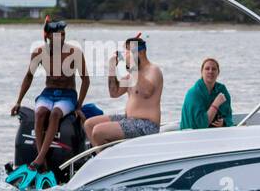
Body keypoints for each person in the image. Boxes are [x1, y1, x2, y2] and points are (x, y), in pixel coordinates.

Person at [11, 18, 89, 172]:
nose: (62, 38)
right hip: (48, 93)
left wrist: (78, 105)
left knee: (55, 114)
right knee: (39, 113)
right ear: (48, 37)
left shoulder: (74, 52)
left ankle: (39, 159)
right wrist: (18, 101)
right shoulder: (39, 53)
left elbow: (85, 80)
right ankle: (43, 163)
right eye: (58, 35)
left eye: (63, 35)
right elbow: (28, 77)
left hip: (68, 95)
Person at [85, 34, 164, 144]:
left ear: (141, 52)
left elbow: (146, 92)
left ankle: (107, 158)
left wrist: (132, 66)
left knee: (99, 131)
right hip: (129, 120)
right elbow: (114, 93)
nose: (126, 56)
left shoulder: (153, 70)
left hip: (146, 125)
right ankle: (102, 156)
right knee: (89, 124)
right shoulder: (132, 74)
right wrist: (112, 68)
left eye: (129, 53)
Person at [180, 58, 234, 129]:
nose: (210, 71)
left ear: (218, 72)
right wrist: (216, 104)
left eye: (214, 69)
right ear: (201, 72)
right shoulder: (194, 93)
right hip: (191, 135)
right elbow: (201, 125)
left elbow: (229, 116)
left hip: (216, 133)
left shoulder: (221, 90)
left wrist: (224, 122)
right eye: (207, 69)